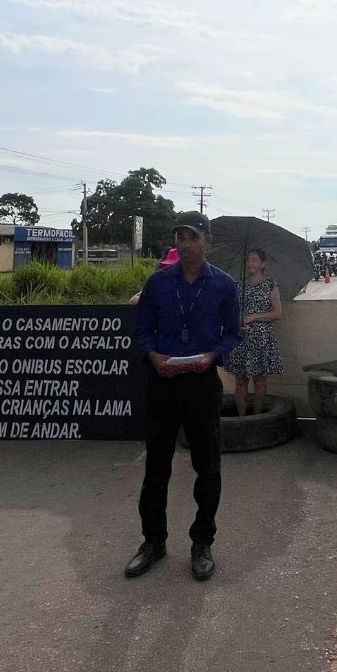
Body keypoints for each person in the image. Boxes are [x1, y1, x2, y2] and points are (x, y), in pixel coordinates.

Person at [127, 211, 241, 582]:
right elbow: (141, 329)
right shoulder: (158, 283)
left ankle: (202, 543)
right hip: (162, 383)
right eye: (180, 237)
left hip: (202, 384)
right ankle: (153, 542)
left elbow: (233, 334)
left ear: (207, 240)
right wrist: (152, 355)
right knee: (155, 467)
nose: (185, 244)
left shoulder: (224, 286)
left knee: (207, 467)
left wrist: (213, 356)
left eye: (193, 237)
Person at [229, 248, 283, 415]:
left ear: (262, 264)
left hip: (262, 340)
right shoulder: (238, 286)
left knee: (260, 381)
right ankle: (242, 419)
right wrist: (239, 322)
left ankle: (259, 418)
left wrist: (253, 317)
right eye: (248, 260)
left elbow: (277, 313)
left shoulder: (271, 285)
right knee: (240, 381)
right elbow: (230, 312)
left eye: (254, 260)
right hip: (241, 339)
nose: (250, 263)